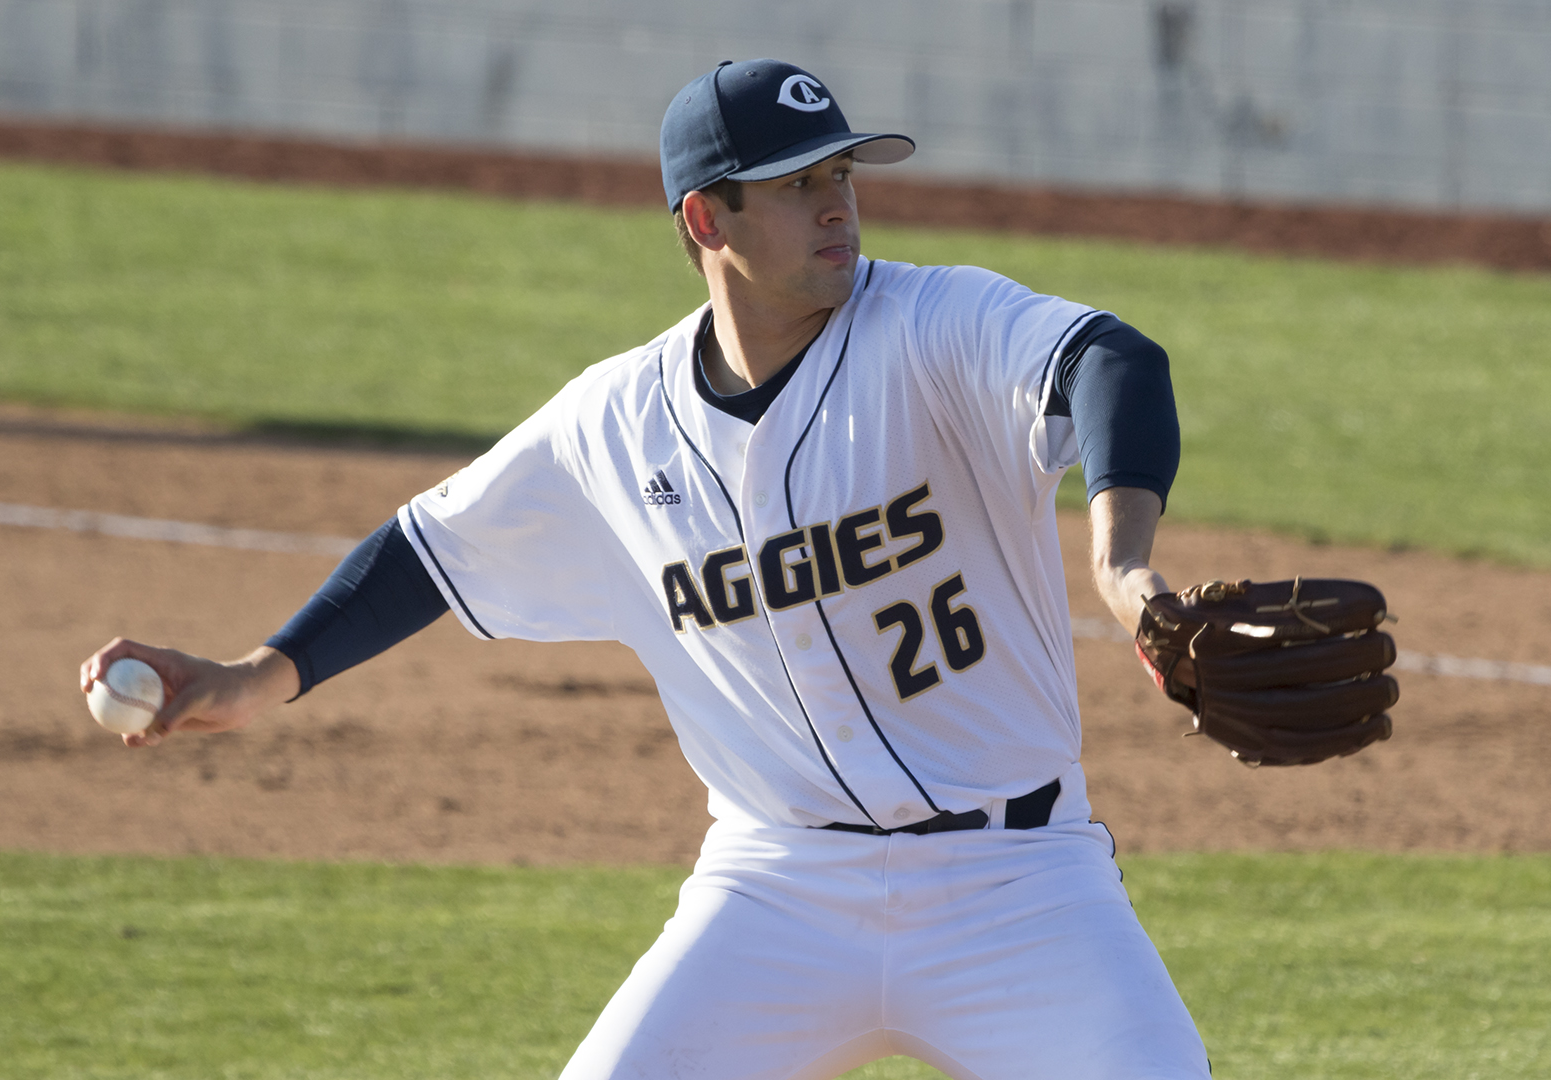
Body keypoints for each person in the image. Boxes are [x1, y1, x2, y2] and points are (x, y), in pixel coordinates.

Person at [81, 59, 1209, 1079]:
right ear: (706, 215)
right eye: (796, 183)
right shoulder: (613, 425)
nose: (837, 204)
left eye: (842, 174)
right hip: (777, 891)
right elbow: (425, 552)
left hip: (1020, 888)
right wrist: (253, 677)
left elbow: (1111, 360)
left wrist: (1123, 565)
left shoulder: (934, 327)